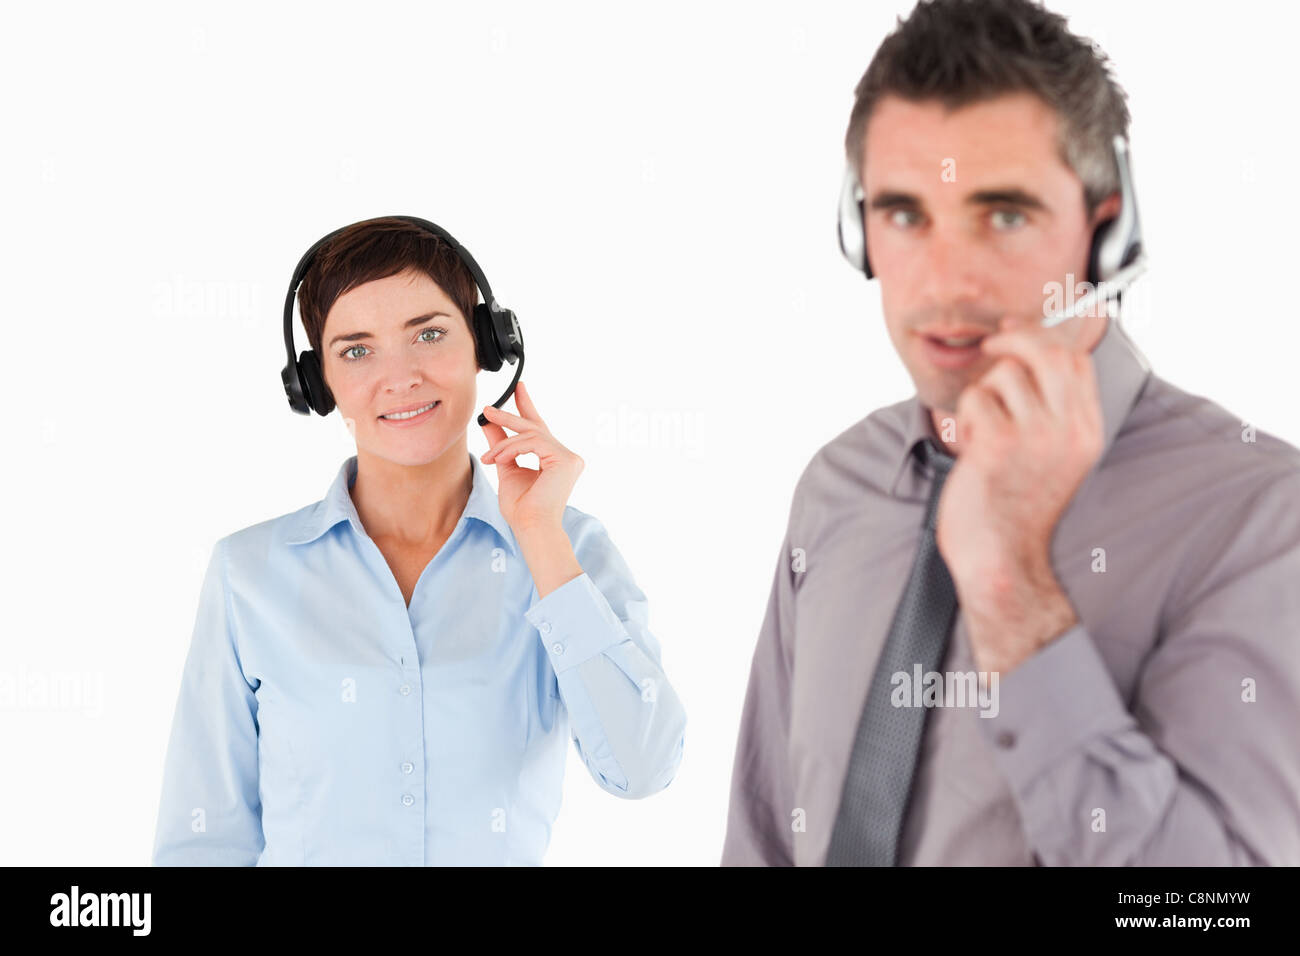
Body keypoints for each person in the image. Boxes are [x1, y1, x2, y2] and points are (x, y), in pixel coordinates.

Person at [722, 0, 1300, 866]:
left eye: (1004, 214)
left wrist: (1008, 587)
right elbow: (764, 838)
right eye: (905, 214)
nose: (946, 280)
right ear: (859, 233)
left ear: (1109, 237)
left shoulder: (1259, 513)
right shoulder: (837, 485)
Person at [152, 216, 686, 865]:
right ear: (316, 384)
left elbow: (642, 767)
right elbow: (204, 840)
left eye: (429, 334)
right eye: (355, 350)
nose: (400, 375)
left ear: (485, 347)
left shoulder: (569, 547)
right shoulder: (248, 573)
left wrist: (540, 537)